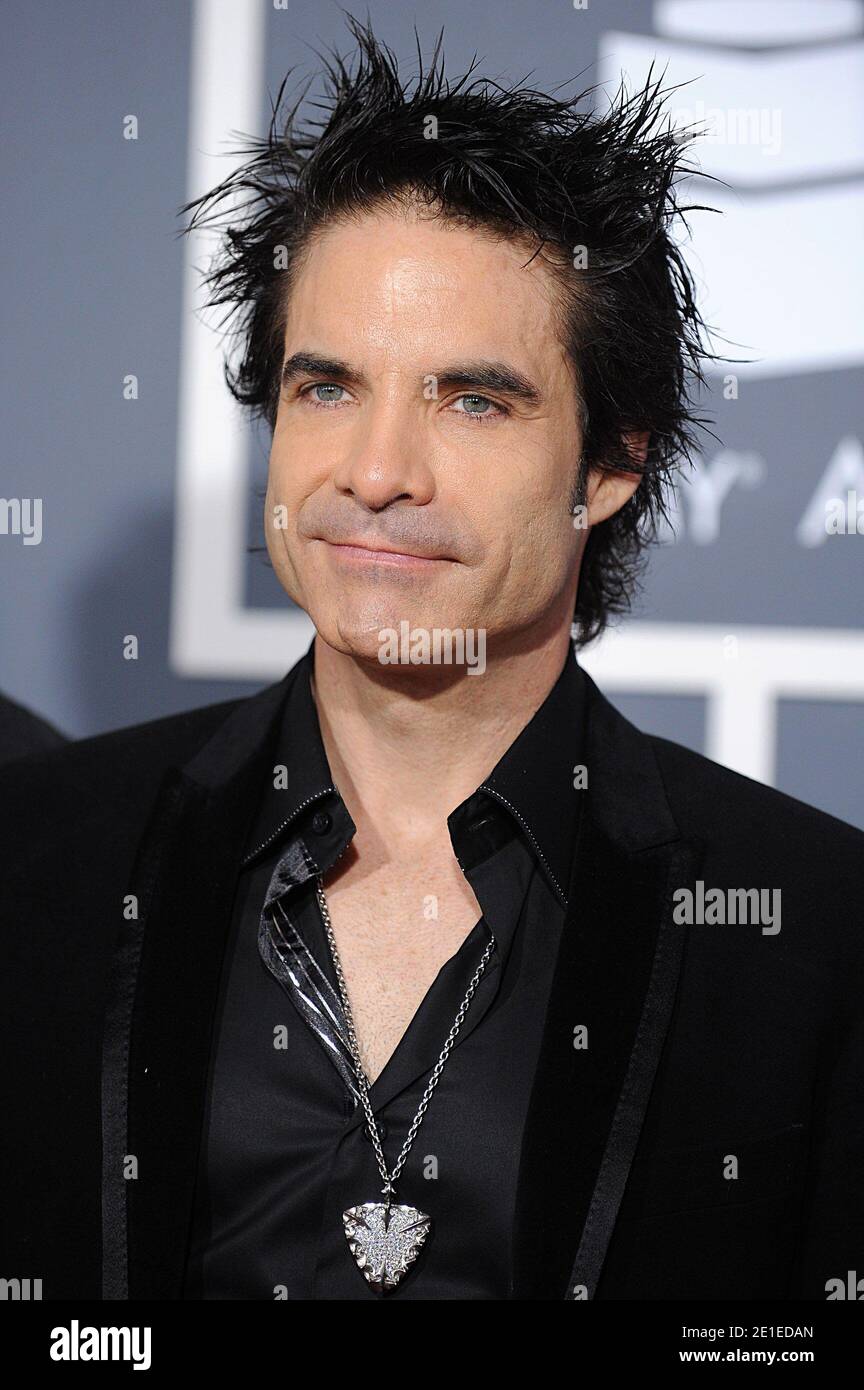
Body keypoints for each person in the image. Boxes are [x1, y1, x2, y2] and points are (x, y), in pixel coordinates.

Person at [1, 18, 861, 1301]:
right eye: (328, 387)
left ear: (612, 464)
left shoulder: (817, 928)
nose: (378, 472)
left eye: (474, 400)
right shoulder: (36, 856)